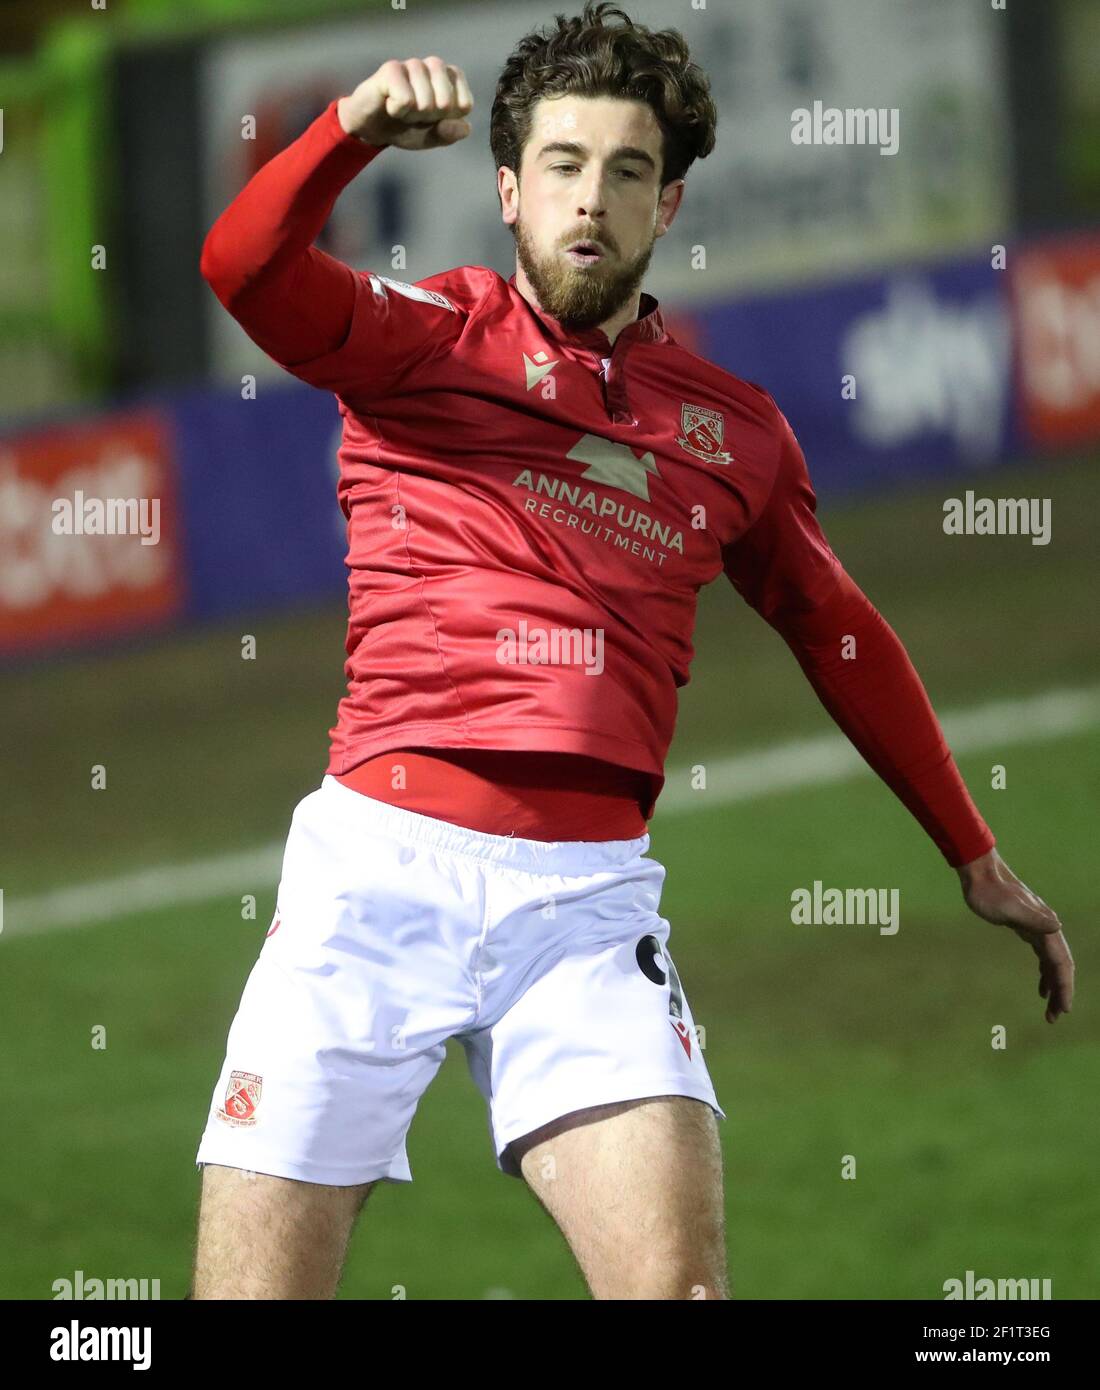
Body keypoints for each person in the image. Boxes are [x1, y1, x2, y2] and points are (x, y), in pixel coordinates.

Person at [190, 2, 1073, 1300]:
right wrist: (349, 130)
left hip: (587, 911)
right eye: (561, 165)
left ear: (668, 205)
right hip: (372, 886)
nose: (590, 200)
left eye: (627, 170)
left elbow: (838, 627)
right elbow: (244, 269)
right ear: (506, 188)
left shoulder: (737, 432)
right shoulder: (422, 335)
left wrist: (974, 851)